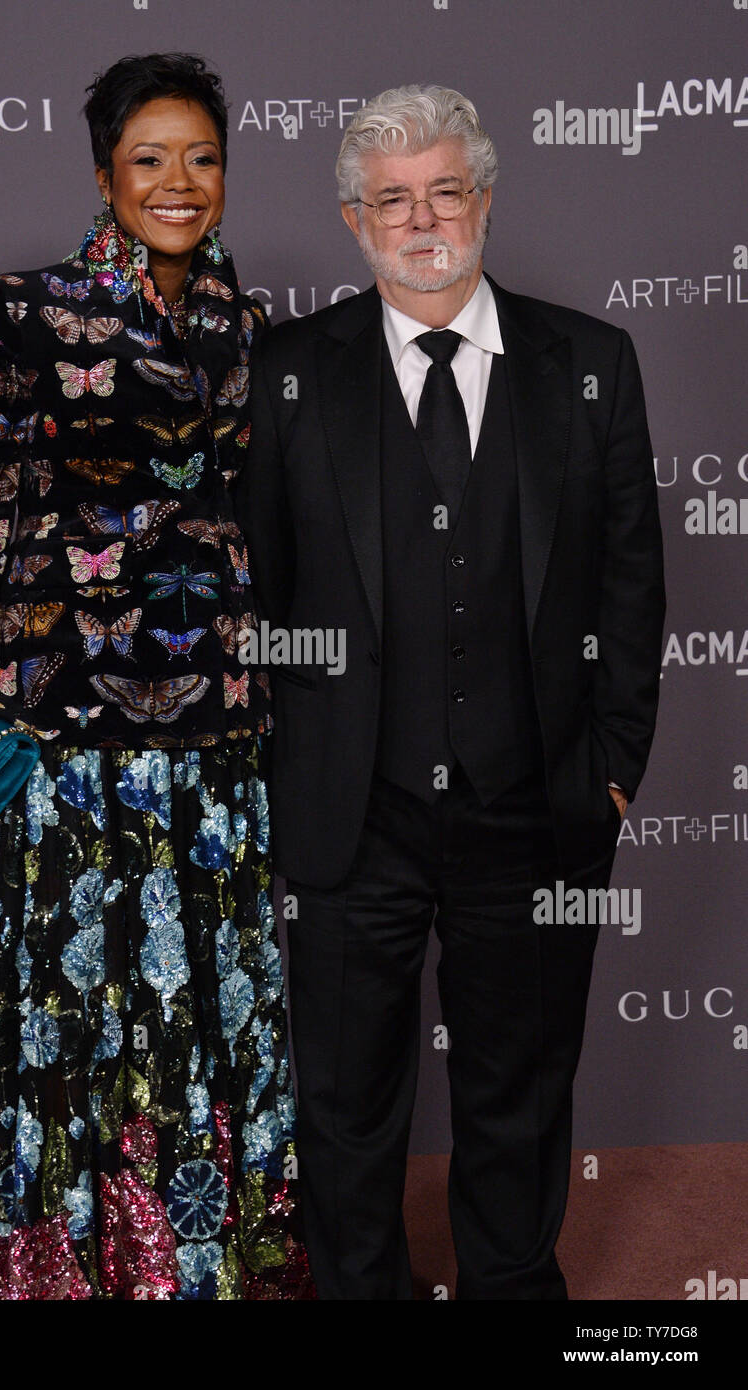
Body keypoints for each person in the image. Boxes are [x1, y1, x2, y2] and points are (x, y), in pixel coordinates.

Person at [0, 52, 313, 1301]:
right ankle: (64, 1272)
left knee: (209, 1011)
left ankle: (201, 1267)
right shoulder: (27, 309)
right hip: (69, 738)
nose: (177, 182)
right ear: (103, 175)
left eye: (200, 157)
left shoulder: (250, 329)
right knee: (69, 1014)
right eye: (149, 158)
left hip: (218, 738)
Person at [238, 84, 665, 1299]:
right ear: (349, 218)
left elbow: (630, 591)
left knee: (518, 1092)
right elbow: (259, 596)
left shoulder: (589, 362)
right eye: (390, 198)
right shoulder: (287, 373)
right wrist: (289, 769)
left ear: (482, 197)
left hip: (532, 807)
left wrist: (613, 770)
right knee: (343, 1101)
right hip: (347, 814)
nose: (419, 217)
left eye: (441, 189)